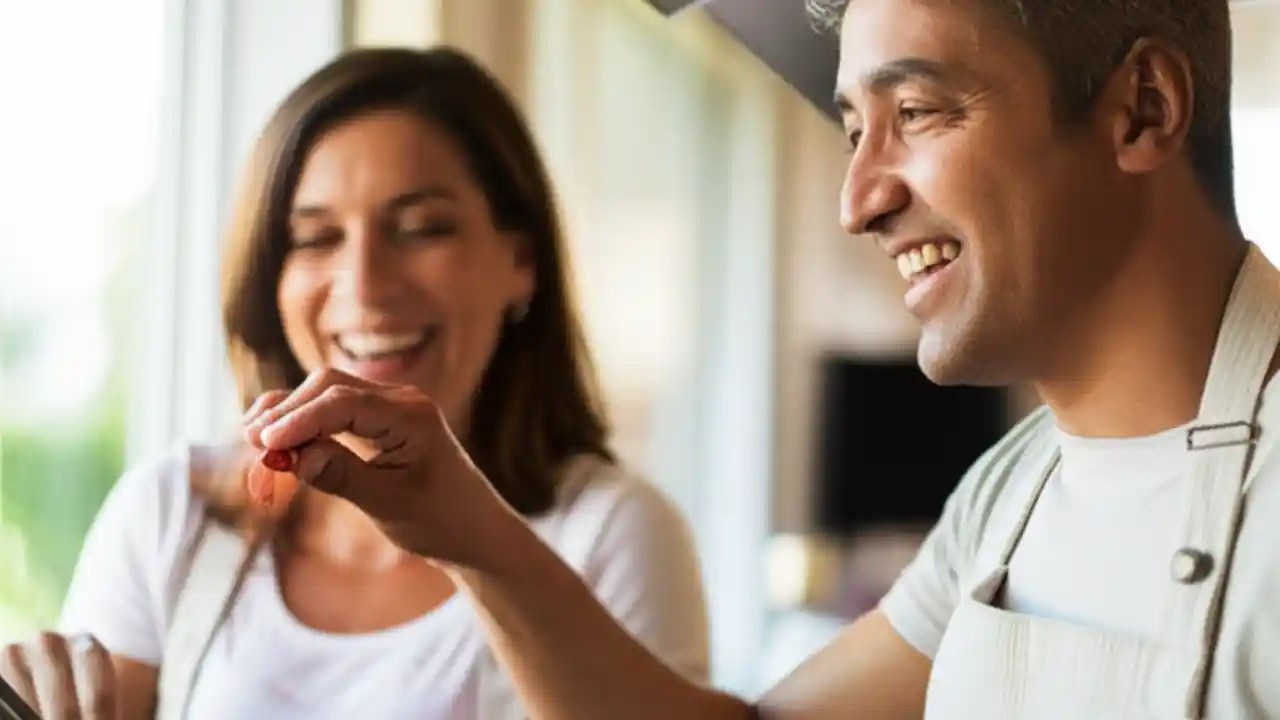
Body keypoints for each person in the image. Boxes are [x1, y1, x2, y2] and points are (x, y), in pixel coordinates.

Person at [168, 0, 1276, 717]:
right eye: (852, 129)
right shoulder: (1012, 494)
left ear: (1141, 109)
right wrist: (463, 527)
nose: (858, 200)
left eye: (919, 111)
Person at [0, 47, 708, 719]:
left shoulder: (613, 534)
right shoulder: (172, 515)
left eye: (423, 228)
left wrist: (473, 536)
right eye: (314, 238)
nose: (365, 286)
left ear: (520, 259)